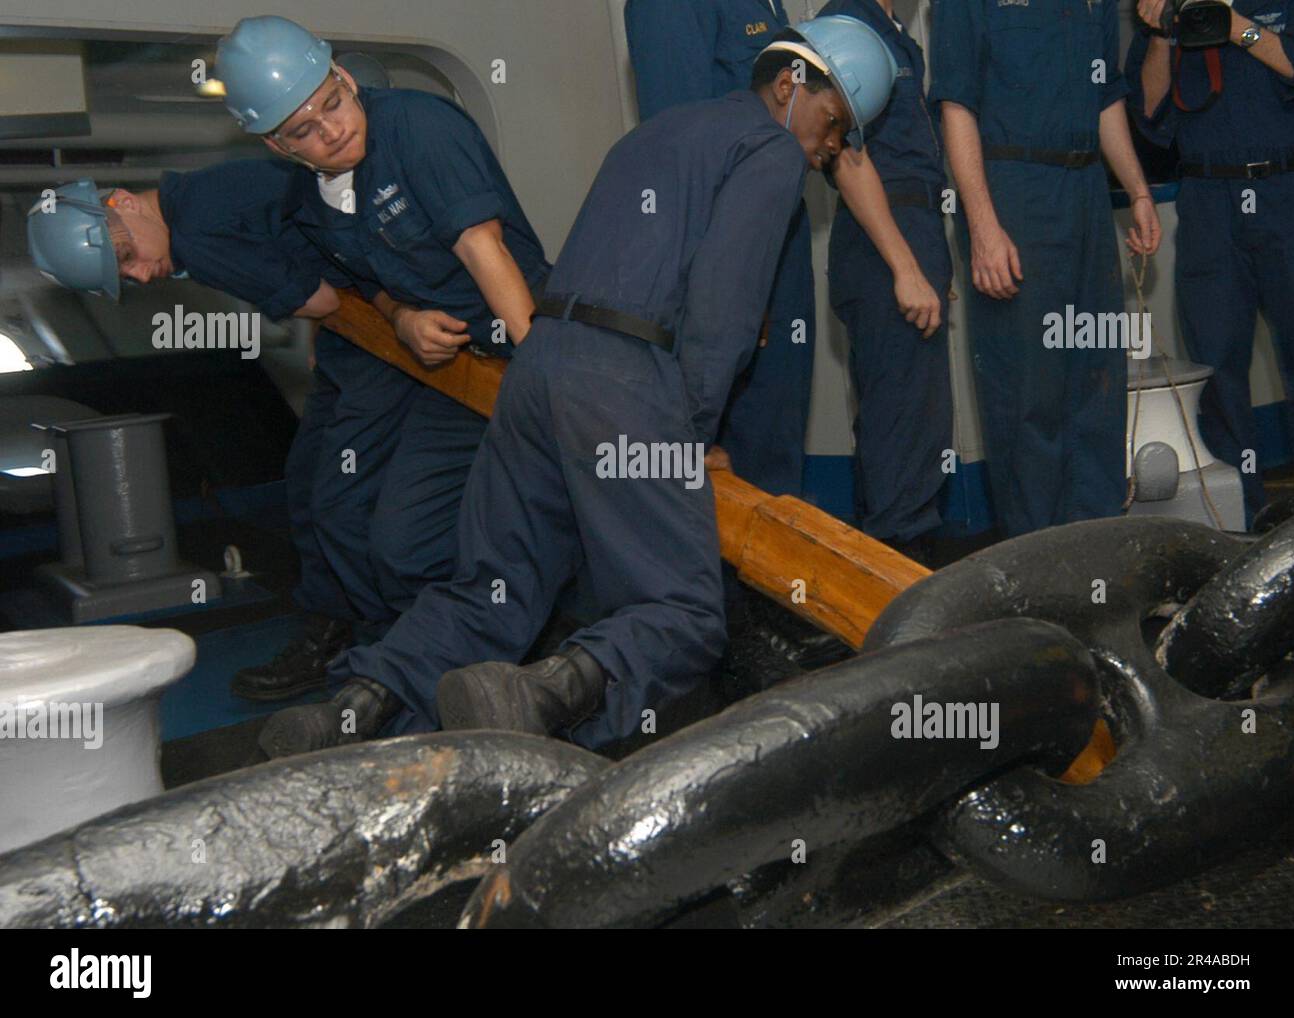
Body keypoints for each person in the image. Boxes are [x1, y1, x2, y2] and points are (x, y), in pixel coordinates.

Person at [257, 16, 898, 758]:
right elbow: (723, 314)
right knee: (682, 609)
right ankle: (536, 694)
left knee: (490, 584)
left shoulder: (658, 133)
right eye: (832, 122)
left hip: (539, 367)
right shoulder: (768, 150)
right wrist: (684, 440)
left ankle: (351, 712)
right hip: (623, 380)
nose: (828, 150)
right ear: (790, 85)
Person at [213, 16, 551, 706]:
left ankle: (512, 668)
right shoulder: (311, 202)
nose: (330, 130)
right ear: (277, 144)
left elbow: (485, 250)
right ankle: (448, 675)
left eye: (331, 104)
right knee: (398, 544)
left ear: (342, 75)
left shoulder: (420, 128)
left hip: (525, 350)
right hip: (452, 373)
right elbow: (369, 282)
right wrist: (404, 318)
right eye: (304, 130)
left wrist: (549, 383)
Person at [25, 164, 377, 700]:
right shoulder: (198, 202)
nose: (140, 276)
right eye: (123, 276)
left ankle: (380, 649)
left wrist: (321, 315)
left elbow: (322, 290)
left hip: (381, 327)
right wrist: (319, 326)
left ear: (124, 201)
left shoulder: (196, 233)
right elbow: (303, 236)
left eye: (125, 258)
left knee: (342, 499)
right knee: (308, 483)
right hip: (348, 338)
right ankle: (334, 632)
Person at [930, 0, 1162, 537]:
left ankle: (1096, 555)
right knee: (1028, 394)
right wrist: (984, 228)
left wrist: (1138, 190)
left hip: (1086, 195)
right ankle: (1036, 561)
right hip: (1015, 194)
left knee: (1097, 386)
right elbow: (957, 108)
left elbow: (1106, 101)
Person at [623, 0, 815, 497]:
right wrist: (738, 284)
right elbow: (685, 155)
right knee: (729, 464)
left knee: (777, 442)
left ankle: (779, 576)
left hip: (782, 238)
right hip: (731, 251)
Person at [1127, 0, 1294, 518]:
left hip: (1287, 190)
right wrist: (1161, 34)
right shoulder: (1178, 7)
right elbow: (1149, 110)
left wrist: (1235, 27)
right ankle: (1240, 518)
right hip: (1207, 202)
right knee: (1218, 365)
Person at [818, 0, 950, 563]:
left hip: (912, 227)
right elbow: (843, 156)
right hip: (883, 237)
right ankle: (898, 589)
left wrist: (928, 260)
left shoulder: (896, 35)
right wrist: (905, 268)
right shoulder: (846, 26)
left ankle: (899, 578)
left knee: (916, 418)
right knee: (900, 421)